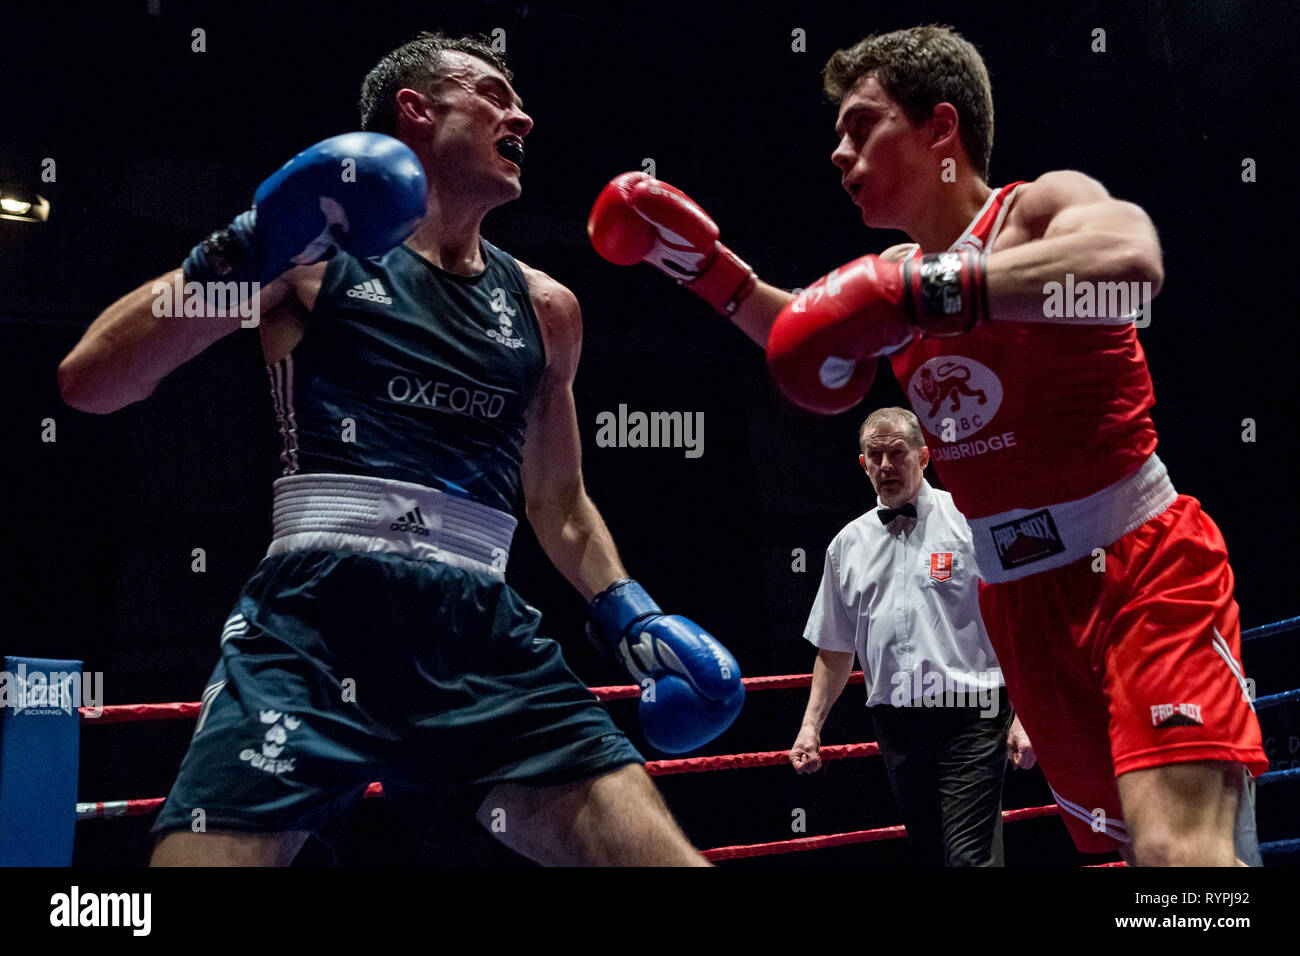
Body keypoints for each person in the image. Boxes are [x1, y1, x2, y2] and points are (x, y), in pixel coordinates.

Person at [58, 31, 744, 867]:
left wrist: (630, 615)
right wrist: (252, 242)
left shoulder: (547, 306)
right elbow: (92, 380)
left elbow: (558, 503)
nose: (520, 114)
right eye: (492, 93)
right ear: (416, 111)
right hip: (312, 623)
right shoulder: (310, 261)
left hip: (481, 637)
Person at [588, 24, 1265, 866]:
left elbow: (1130, 265)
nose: (838, 151)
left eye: (861, 124)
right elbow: (803, 331)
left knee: (1178, 854)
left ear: (941, 128)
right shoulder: (899, 272)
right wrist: (704, 268)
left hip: (1140, 569)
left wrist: (930, 292)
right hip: (1019, 604)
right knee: (1121, 857)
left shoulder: (1037, 207)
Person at [789, 407, 1034, 866]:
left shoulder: (968, 521)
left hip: (973, 715)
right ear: (862, 464)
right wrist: (810, 726)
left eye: (896, 454)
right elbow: (834, 650)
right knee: (931, 856)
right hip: (896, 723)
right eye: (875, 456)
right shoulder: (846, 545)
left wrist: (1026, 716)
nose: (886, 466)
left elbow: (1017, 621)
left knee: (969, 859)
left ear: (924, 457)